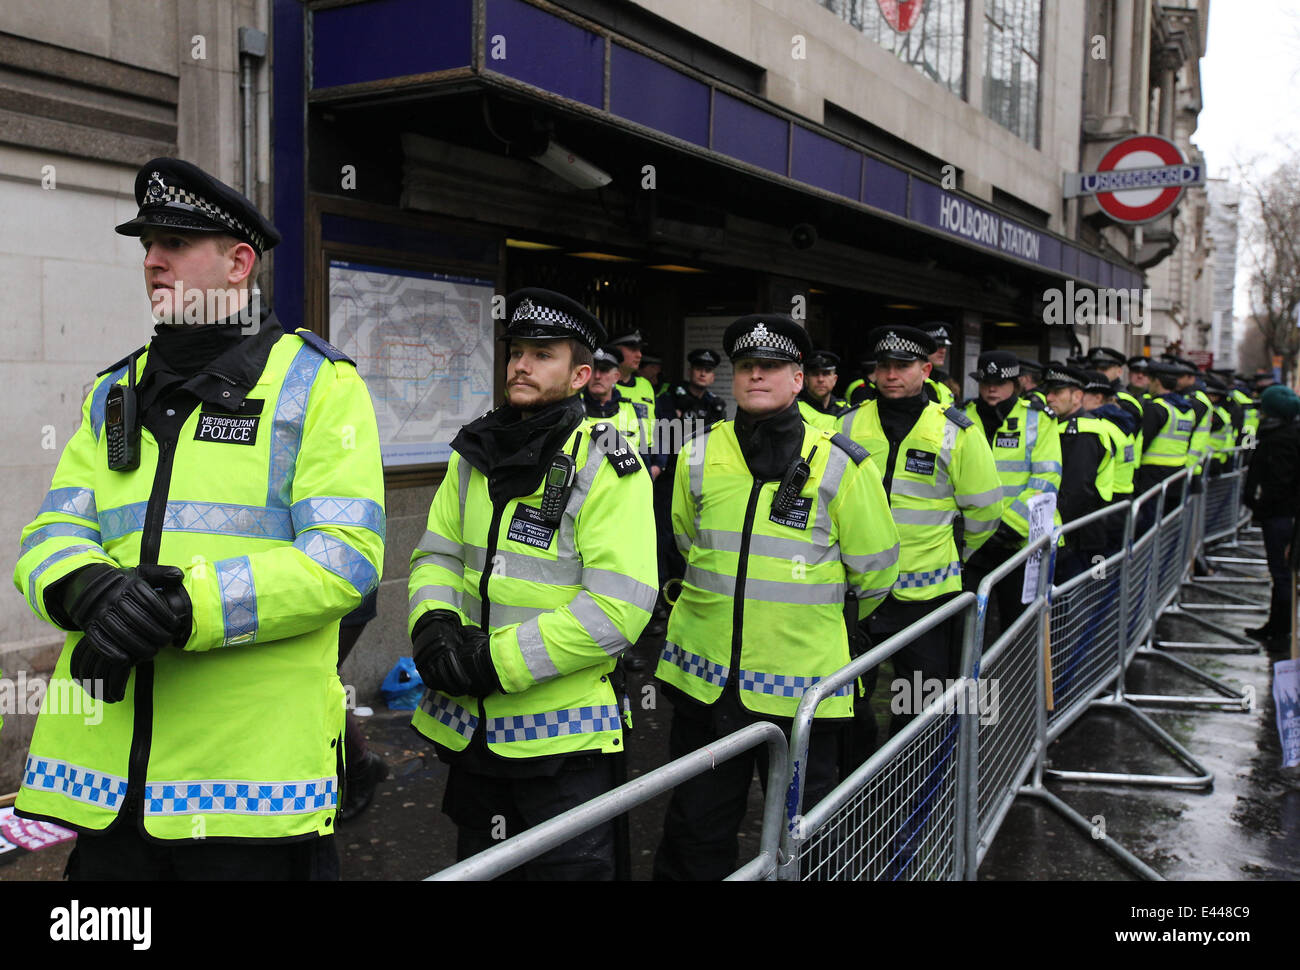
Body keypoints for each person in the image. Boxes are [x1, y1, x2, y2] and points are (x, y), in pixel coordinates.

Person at [13, 157, 385, 880]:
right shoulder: (113, 393)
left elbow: (345, 559)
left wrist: (185, 607)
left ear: (238, 262)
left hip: (251, 805)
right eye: (147, 245)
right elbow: (49, 534)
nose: (151, 260)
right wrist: (87, 589)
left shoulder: (319, 385)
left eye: (174, 244)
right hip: (111, 801)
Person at [407, 288, 657, 880]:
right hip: (473, 734)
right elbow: (437, 555)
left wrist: (493, 662)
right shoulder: (473, 455)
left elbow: (619, 609)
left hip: (562, 750)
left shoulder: (607, 463)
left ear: (580, 377)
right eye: (517, 350)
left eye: (543, 354)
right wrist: (434, 626)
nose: (521, 363)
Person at [652, 314, 900, 881]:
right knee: (695, 832)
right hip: (705, 686)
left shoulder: (842, 461)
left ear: (797, 380)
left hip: (803, 693)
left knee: (807, 838)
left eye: (772, 367)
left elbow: (877, 570)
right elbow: (688, 544)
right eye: (745, 367)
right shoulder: (697, 456)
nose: (756, 375)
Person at [836, 326, 1003, 735]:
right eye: (884, 366)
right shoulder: (846, 424)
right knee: (844, 703)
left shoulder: (956, 431)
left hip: (926, 597)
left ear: (926, 369)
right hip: (856, 592)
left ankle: (917, 793)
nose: (891, 374)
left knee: (921, 706)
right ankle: (855, 786)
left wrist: (951, 554)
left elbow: (985, 511)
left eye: (903, 366)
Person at [961, 351, 1062, 626]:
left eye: (1000, 383)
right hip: (971, 542)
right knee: (966, 625)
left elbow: (1046, 480)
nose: (992, 389)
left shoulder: (1039, 419)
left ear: (1015, 384)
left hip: (1016, 541)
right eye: (985, 382)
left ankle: (1015, 672)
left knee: (1016, 626)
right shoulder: (959, 417)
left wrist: (1005, 524)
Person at [1041, 363, 1115, 580]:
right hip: (1078, 533)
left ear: (1077, 397)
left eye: (1057, 392)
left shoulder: (1083, 432)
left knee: (1081, 598)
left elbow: (1075, 491)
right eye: (1048, 392)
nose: (1049, 398)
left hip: (1081, 536)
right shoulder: (1064, 425)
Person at [1243, 385, 1300, 655]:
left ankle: (1281, 631)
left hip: (1281, 516)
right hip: (1281, 514)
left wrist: (1260, 505)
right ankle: (1277, 626)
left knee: (1283, 573)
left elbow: (1279, 483)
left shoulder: (1280, 439)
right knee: (1282, 573)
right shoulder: (1284, 434)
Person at [1135, 360, 1194, 509]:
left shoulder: (1157, 408)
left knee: (1149, 525)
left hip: (1154, 476)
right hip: (1178, 473)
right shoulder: (1187, 409)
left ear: (1158, 382)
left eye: (1150, 380)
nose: (1147, 383)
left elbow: (1142, 441)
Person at [655, 348, 727, 458]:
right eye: (698, 369)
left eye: (707, 370)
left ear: (712, 377)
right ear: (689, 372)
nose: (702, 374)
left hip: (701, 462)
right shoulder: (672, 396)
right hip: (673, 462)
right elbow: (660, 433)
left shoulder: (714, 405)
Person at [609, 329, 659, 477]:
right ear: (615, 351)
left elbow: (659, 423)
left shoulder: (645, 385)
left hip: (645, 458)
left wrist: (659, 464)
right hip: (613, 459)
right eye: (632, 349)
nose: (639, 355)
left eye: (639, 350)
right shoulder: (602, 385)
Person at [582, 345, 645, 455]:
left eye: (604, 370)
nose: (597, 376)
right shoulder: (574, 409)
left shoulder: (632, 411)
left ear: (616, 377)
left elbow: (644, 458)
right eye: (593, 369)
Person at [797, 349, 851, 429]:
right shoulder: (794, 409)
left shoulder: (846, 409)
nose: (820, 379)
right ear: (806, 380)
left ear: (835, 380)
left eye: (826, 374)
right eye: (815, 374)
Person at [921, 323, 957, 406]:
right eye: (937, 345)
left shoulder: (946, 380)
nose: (943, 351)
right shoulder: (913, 381)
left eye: (944, 346)